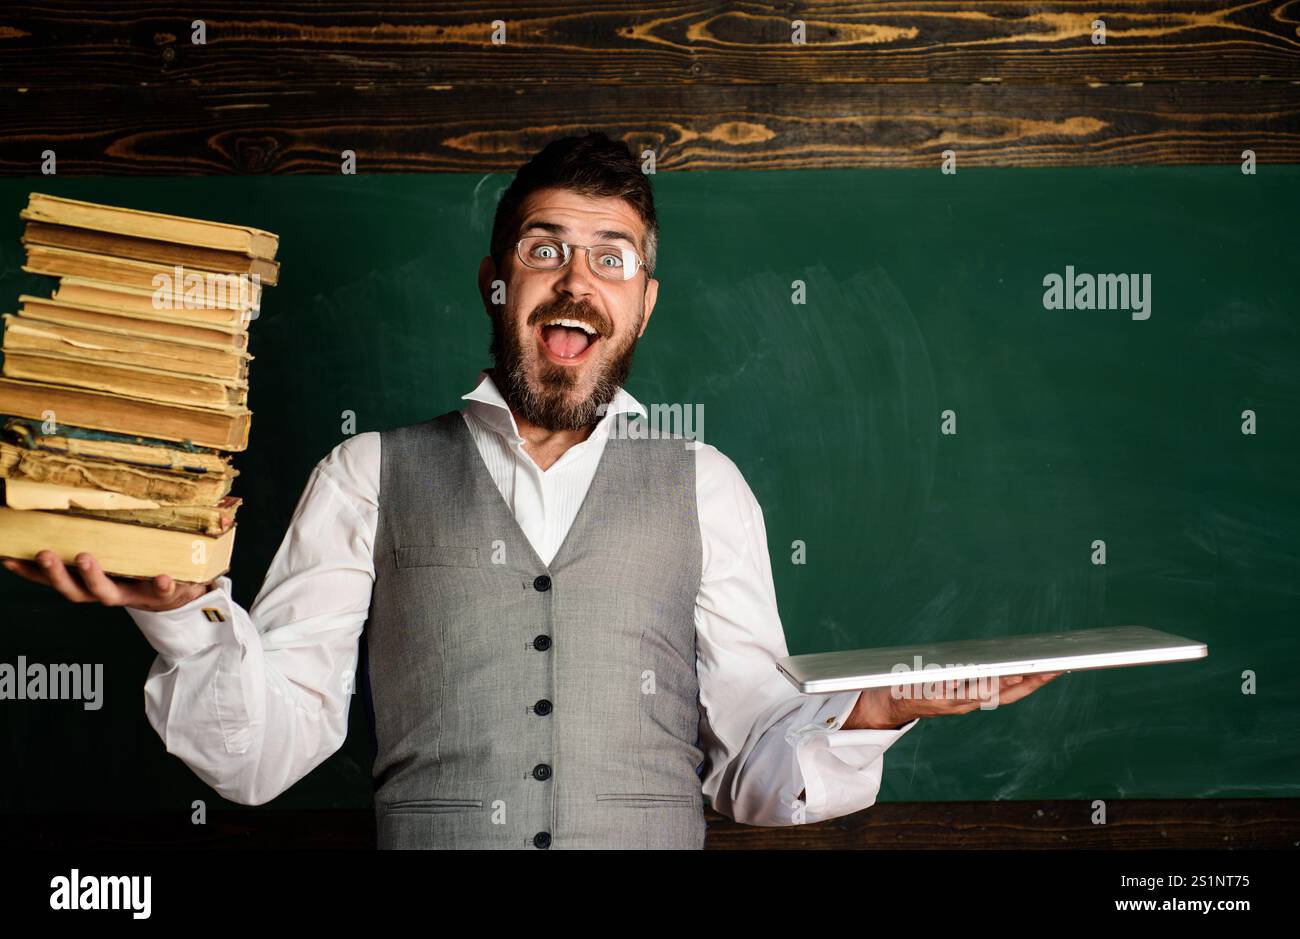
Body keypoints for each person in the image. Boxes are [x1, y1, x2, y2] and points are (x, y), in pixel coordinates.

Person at [2, 132, 1057, 849]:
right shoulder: (364, 475)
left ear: (643, 303)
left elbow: (751, 773)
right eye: (546, 248)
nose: (576, 280)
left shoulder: (708, 488)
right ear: (498, 280)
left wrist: (875, 711)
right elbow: (262, 760)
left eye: (612, 258)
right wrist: (187, 619)